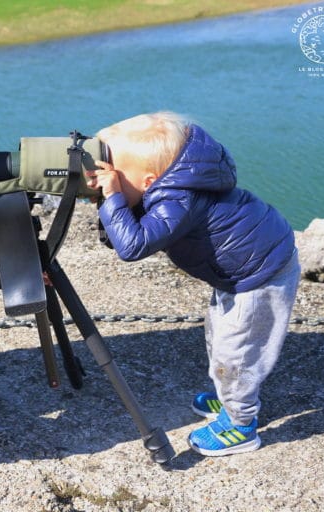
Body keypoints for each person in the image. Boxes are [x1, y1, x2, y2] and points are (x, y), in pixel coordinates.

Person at [84, 111, 300, 457]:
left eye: (115, 174)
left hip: (261, 273)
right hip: (241, 268)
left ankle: (241, 424)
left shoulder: (178, 199)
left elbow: (133, 246)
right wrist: (110, 198)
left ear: (150, 181)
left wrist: (113, 199)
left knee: (236, 352)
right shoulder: (173, 185)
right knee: (218, 336)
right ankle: (229, 395)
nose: (107, 177)